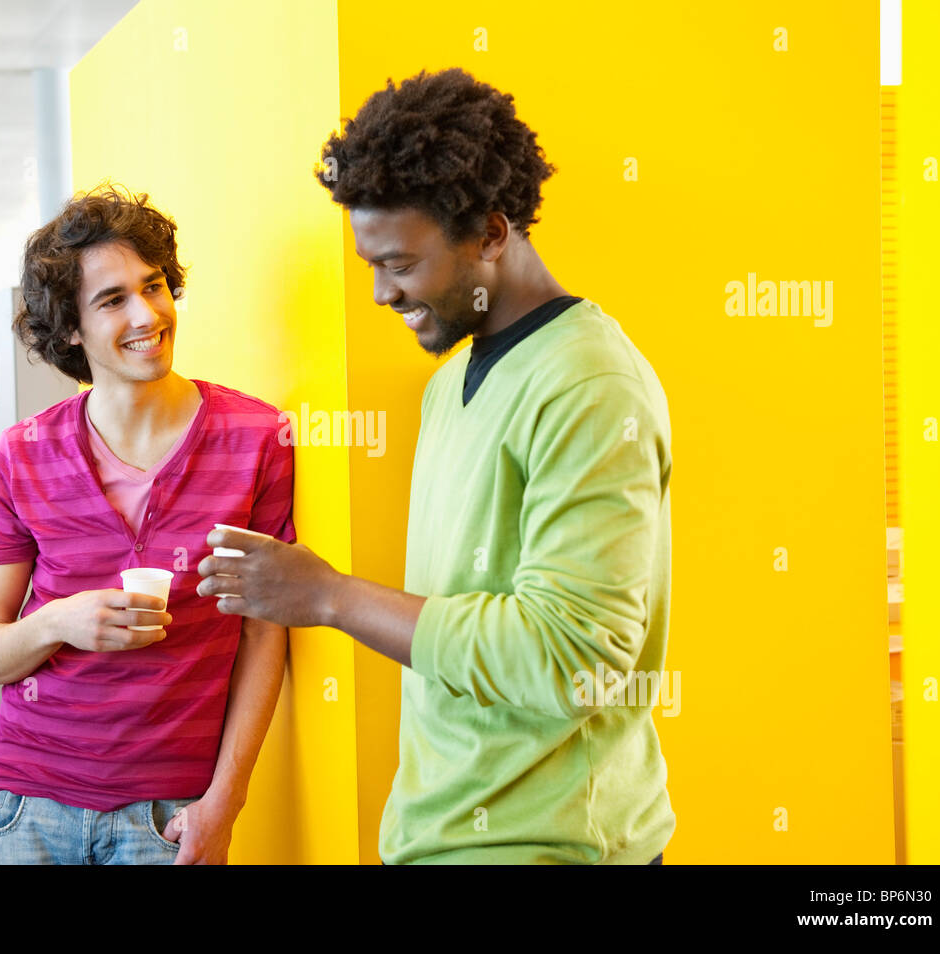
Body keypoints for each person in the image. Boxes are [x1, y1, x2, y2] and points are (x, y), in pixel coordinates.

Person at [198, 68, 675, 864]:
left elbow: (573, 661)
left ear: (491, 234)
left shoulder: (590, 384)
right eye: (370, 264)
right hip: (439, 834)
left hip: (549, 846)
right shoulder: (451, 380)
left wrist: (328, 597)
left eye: (402, 264)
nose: (382, 293)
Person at [0, 184, 295, 865]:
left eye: (154, 286)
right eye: (113, 301)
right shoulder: (23, 454)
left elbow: (265, 635)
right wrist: (58, 621)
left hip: (168, 814)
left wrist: (224, 805)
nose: (148, 314)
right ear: (72, 328)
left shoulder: (258, 437)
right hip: (28, 802)